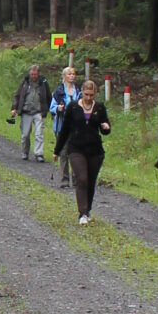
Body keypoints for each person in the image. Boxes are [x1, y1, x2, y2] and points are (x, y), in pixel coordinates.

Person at [54, 75, 111, 224]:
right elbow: (65, 130)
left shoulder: (99, 107)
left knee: (91, 181)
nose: (88, 97)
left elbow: (105, 128)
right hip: (76, 148)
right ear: (82, 93)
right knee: (82, 179)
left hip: (95, 151)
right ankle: (82, 213)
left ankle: (87, 210)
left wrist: (105, 127)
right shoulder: (73, 107)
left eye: (91, 95)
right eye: (86, 94)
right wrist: (57, 150)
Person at [13, 62, 51, 161]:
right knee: (25, 135)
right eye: (32, 74)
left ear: (38, 74)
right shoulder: (25, 83)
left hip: (39, 111)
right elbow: (17, 95)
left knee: (39, 134)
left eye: (35, 74)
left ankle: (39, 154)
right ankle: (25, 152)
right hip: (26, 111)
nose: (33, 76)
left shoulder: (43, 83)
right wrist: (14, 108)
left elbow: (48, 97)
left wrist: (51, 111)